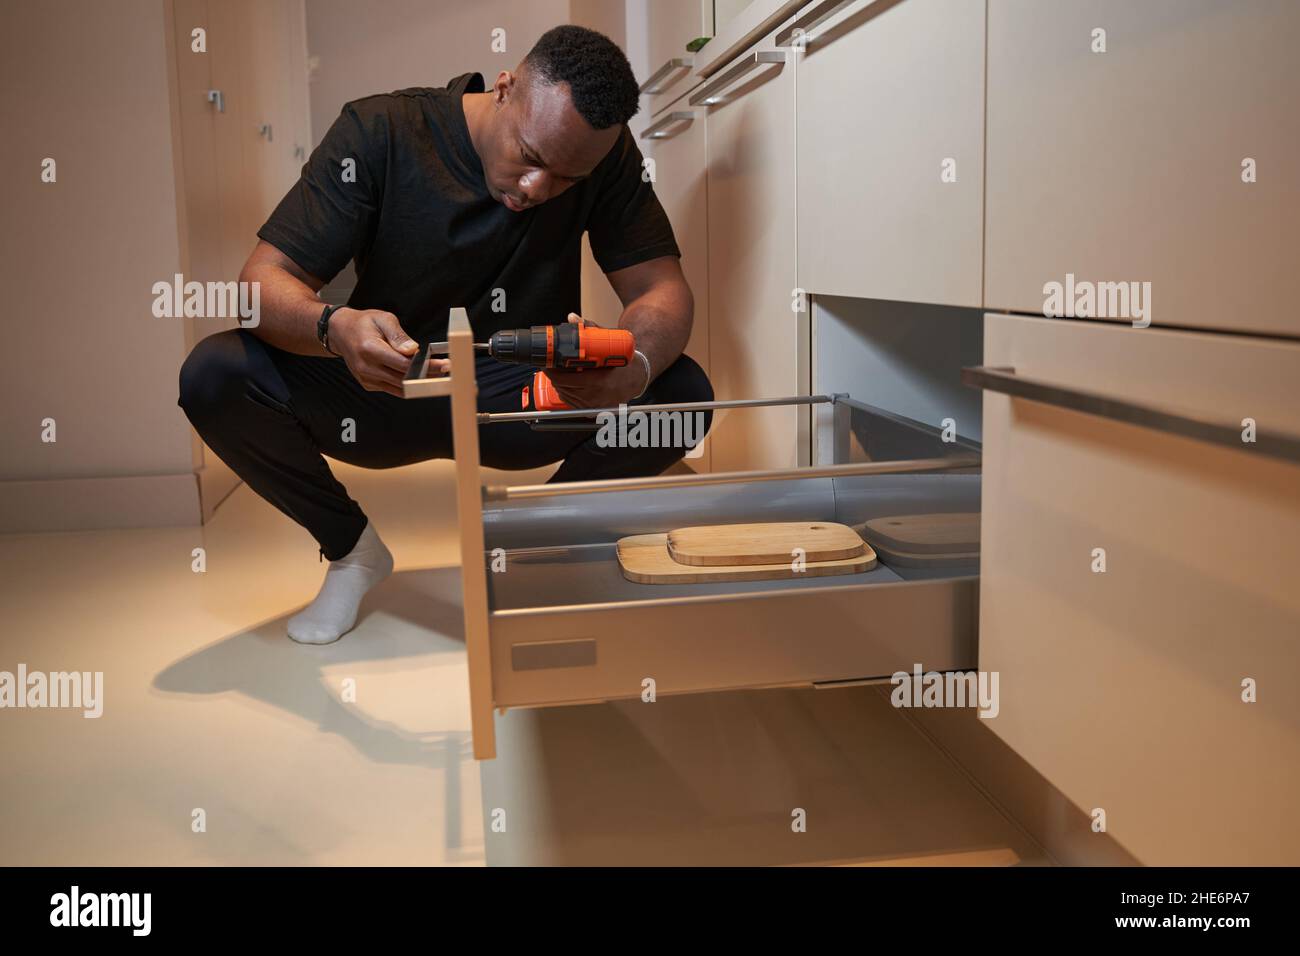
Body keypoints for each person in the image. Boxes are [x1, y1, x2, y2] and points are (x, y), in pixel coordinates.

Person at [178, 25, 712, 645]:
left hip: (523, 399)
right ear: (505, 89)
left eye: (567, 180)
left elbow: (661, 290)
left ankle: (533, 542)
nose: (537, 189)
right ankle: (352, 551)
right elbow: (260, 284)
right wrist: (334, 327)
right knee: (215, 374)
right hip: (381, 384)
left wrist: (633, 368)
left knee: (682, 392)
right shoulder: (380, 130)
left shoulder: (604, 156)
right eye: (531, 157)